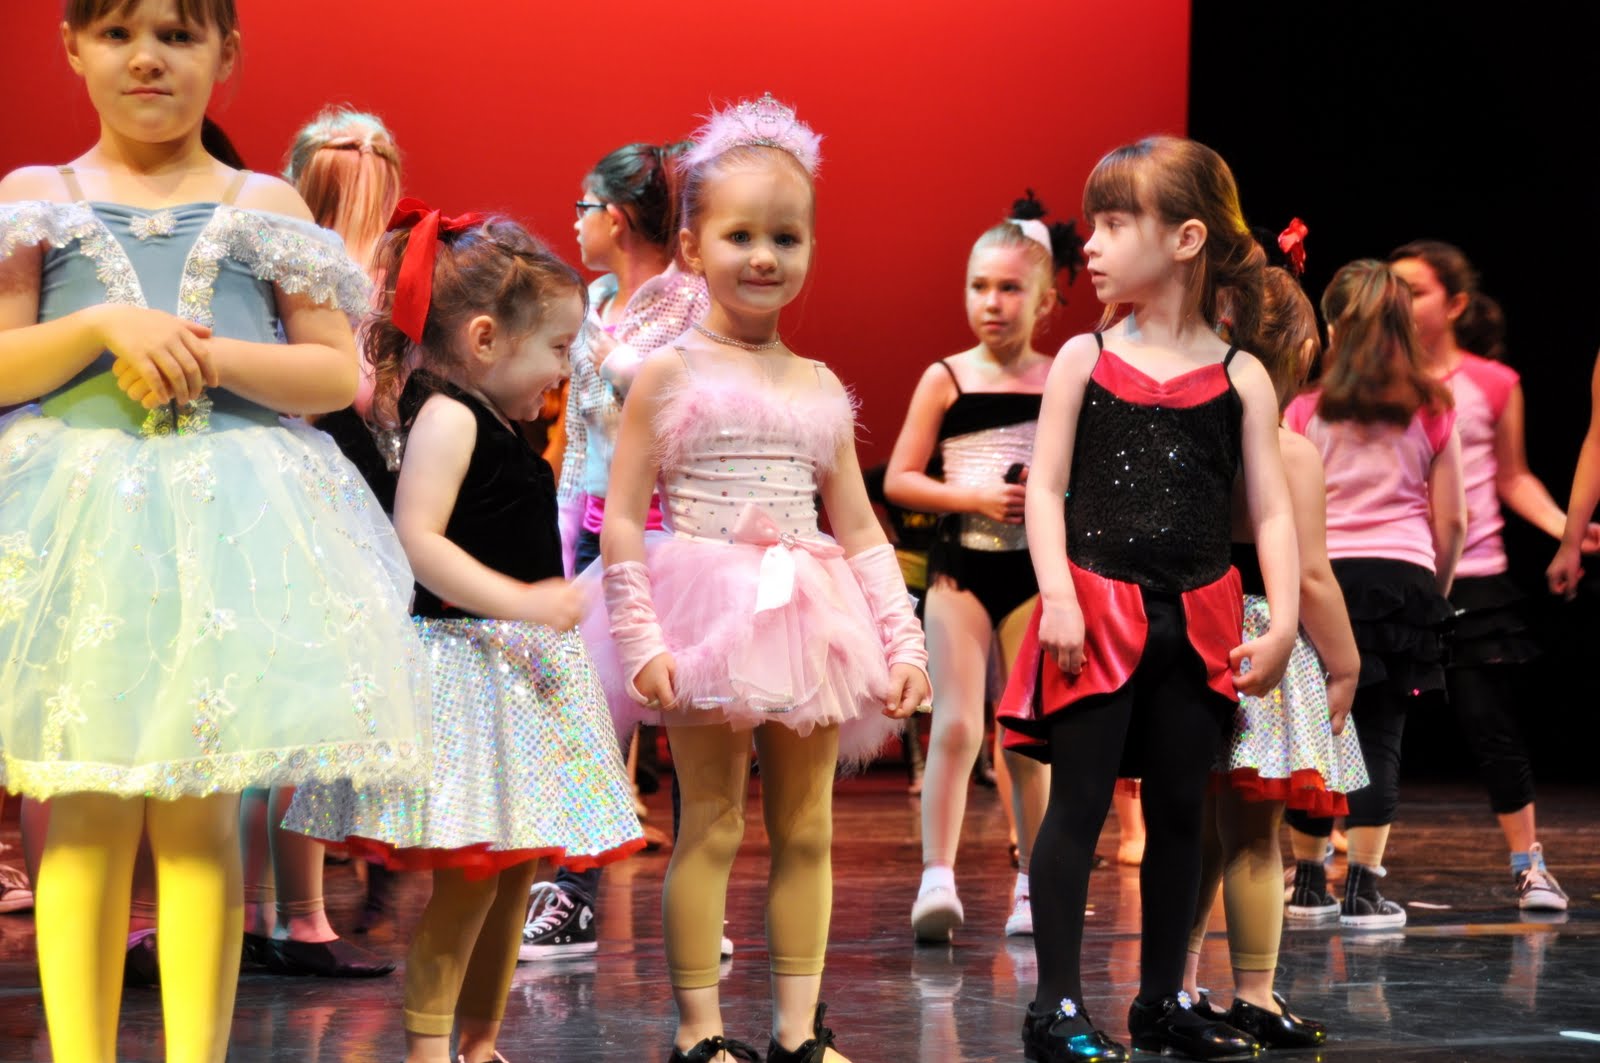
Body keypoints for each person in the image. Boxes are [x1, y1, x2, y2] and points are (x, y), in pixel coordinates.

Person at [0, 2, 429, 1058]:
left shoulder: (262, 201)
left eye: (179, 36)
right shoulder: (35, 197)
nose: (147, 58)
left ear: (226, 53)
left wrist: (208, 356)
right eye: (117, 34)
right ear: (73, 48)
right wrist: (102, 326)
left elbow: (331, 371)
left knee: (201, 813)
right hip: (79, 532)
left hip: (227, 530)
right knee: (86, 806)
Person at [588, 93, 930, 1063]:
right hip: (703, 614)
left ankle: (797, 1031)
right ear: (692, 247)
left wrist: (902, 641)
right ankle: (700, 1032)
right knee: (711, 821)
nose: (764, 256)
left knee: (807, 827)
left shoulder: (818, 384)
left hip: (804, 613)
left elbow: (856, 525)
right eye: (740, 235)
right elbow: (623, 517)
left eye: (786, 236)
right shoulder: (666, 373)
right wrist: (642, 636)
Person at [285, 203, 642, 1063]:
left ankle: (479, 1044)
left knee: (513, 878)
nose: (563, 370)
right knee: (469, 883)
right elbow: (419, 541)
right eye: (556, 348)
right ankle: (428, 1048)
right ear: (485, 338)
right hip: (466, 668)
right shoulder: (449, 417)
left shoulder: (507, 423)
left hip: (518, 673)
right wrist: (525, 601)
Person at [998, 135, 1299, 1062]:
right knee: (1078, 807)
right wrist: (1056, 592)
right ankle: (1055, 1006)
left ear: (1185, 239)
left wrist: (1284, 621)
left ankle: (1164, 999)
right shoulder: (1083, 359)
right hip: (1095, 613)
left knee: (1181, 813)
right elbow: (1046, 489)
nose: (1088, 244)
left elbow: (1272, 512)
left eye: (1114, 224)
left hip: (1200, 617)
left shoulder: (1241, 375)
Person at [230, 105, 409, 979]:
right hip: (302, 488)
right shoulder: (298, 262)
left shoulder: (380, 266)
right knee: (293, 723)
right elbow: (346, 386)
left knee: (296, 727)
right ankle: (283, 915)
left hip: (337, 489)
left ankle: (277, 912)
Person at [521, 140, 711, 962]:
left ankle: (702, 900)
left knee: (694, 719)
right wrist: (565, 537)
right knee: (590, 712)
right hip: (598, 524)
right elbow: (576, 436)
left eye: (583, 206)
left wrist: (622, 364)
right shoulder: (591, 301)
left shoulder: (691, 304)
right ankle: (575, 891)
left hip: (677, 528)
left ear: (618, 217)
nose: (574, 222)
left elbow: (691, 411)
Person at [1181, 250, 1364, 1050]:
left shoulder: (1189, 436)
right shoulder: (1290, 452)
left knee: (1195, 831)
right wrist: (1347, 661)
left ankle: (1179, 985)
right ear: (1300, 354)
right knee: (1254, 836)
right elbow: (1312, 575)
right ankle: (1254, 992)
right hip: (1263, 638)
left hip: (1195, 632)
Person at [885, 192, 1075, 942]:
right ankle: (937, 876)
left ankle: (1032, 881)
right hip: (961, 568)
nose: (992, 303)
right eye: (979, 286)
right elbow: (901, 478)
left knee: (1024, 734)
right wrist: (974, 496)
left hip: (1036, 575)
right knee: (957, 724)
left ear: (1045, 300)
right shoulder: (947, 377)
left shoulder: (1061, 378)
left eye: (1010, 288)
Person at [1389, 240, 1583, 911]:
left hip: (1474, 572)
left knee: (1488, 719)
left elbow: (1513, 475)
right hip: (1398, 568)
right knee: (1366, 717)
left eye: (1416, 289)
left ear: (1456, 304)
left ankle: (1529, 864)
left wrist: (1566, 529)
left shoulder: (1493, 383)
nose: (1401, 300)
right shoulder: (1369, 378)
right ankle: (1327, 857)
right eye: (1393, 287)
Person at [1282, 259, 1466, 930]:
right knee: (1381, 736)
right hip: (1404, 579)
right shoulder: (1434, 407)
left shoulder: (1303, 409)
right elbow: (1453, 521)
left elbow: (1284, 512)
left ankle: (1309, 885)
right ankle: (1362, 891)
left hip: (1323, 579)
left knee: (1316, 732)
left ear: (1333, 326)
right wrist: (1431, 596)